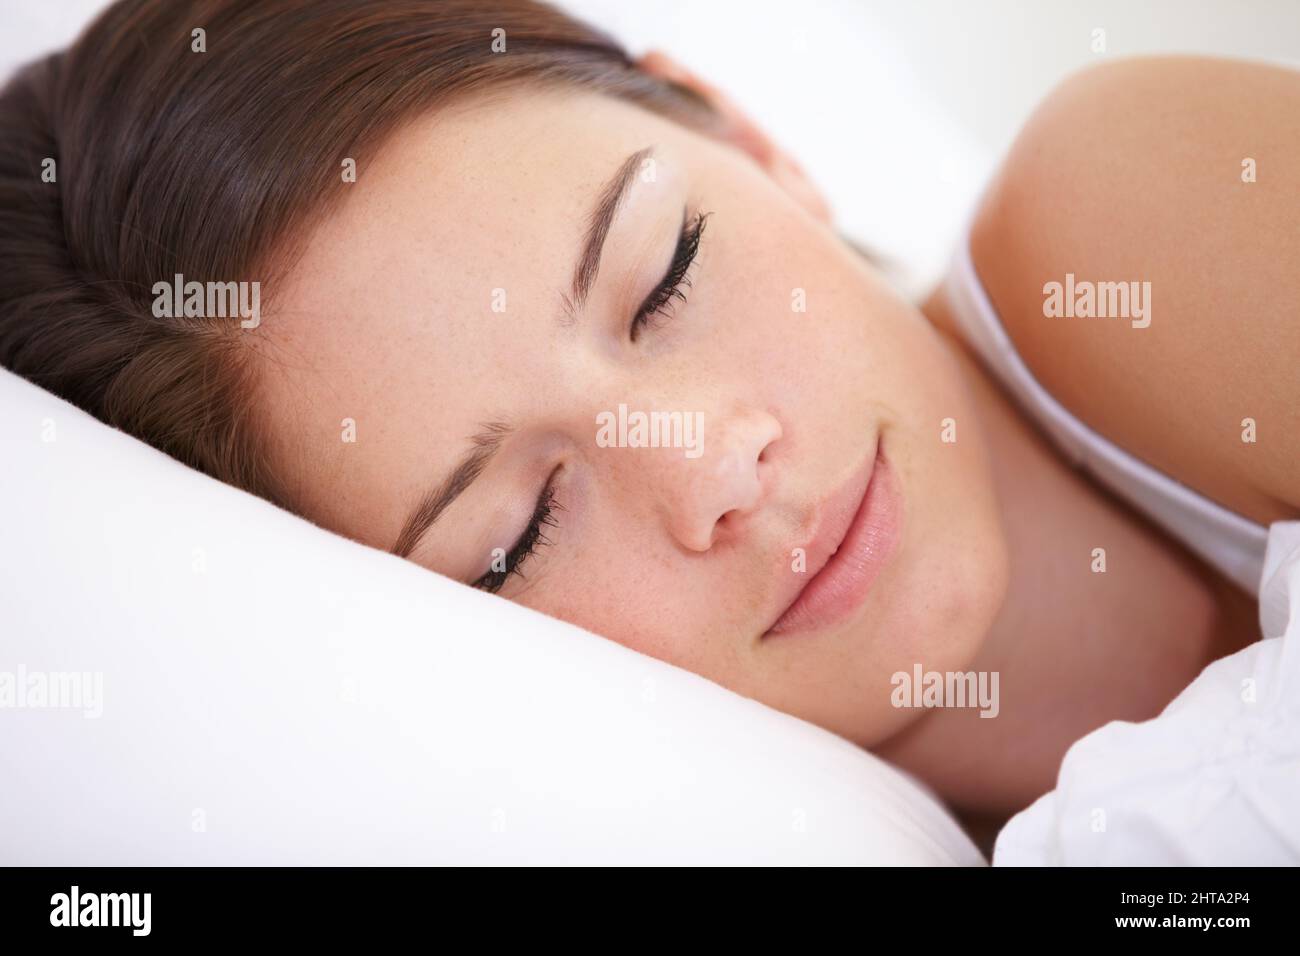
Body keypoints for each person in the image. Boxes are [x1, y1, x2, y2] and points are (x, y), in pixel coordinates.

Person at [1, 0, 1295, 845]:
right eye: (521, 533)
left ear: (752, 138)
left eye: (664, 272)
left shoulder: (1120, 209)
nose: (716, 467)